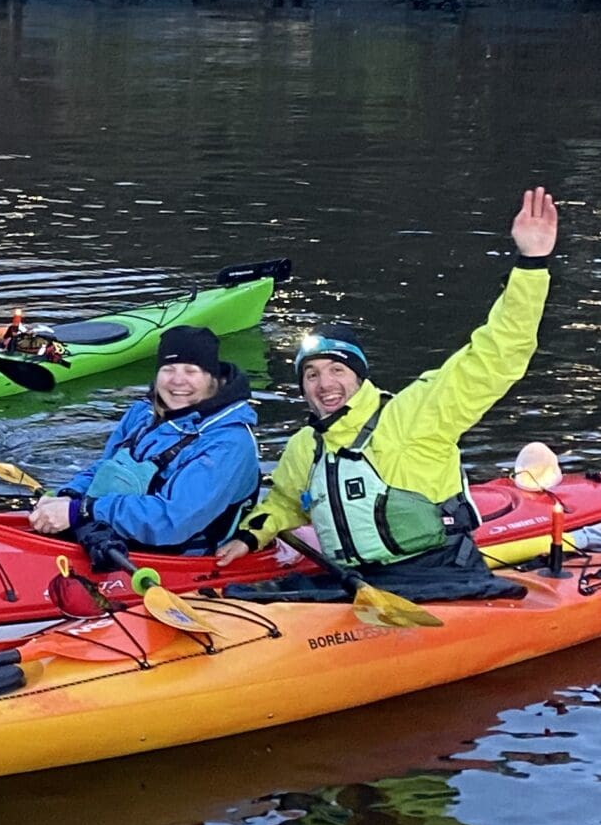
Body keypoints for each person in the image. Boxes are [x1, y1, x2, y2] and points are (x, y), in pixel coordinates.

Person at [215, 188, 559, 600]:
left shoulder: (414, 414)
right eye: (312, 375)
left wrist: (532, 263)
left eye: (337, 371)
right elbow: (287, 503)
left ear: (359, 377)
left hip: (439, 574)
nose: (324, 385)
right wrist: (251, 537)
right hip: (361, 583)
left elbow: (497, 355)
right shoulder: (305, 447)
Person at [26, 325, 261, 557]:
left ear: (212, 380)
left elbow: (173, 521)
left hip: (178, 557)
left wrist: (81, 511)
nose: (178, 381)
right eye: (169, 369)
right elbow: (106, 467)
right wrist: (71, 496)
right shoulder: (143, 413)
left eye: (191, 371)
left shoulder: (230, 442)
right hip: (114, 535)